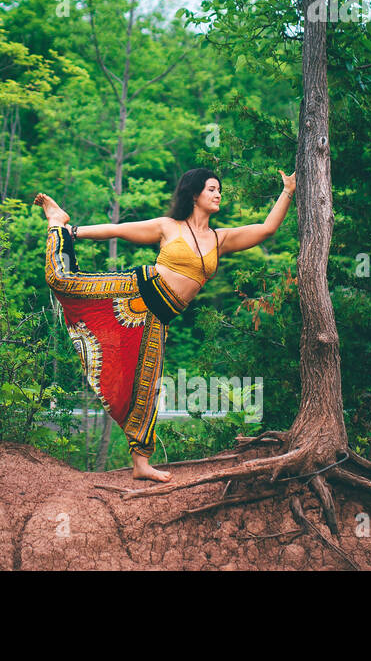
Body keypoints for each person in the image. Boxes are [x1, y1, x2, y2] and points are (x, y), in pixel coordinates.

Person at [34, 167, 295, 481]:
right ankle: (55, 223)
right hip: (135, 291)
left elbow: (267, 229)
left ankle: (141, 464)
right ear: (194, 193)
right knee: (62, 281)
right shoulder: (168, 227)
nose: (217, 195)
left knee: (146, 388)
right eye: (212, 189)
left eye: (219, 190)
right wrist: (72, 231)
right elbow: (117, 230)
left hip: (158, 318)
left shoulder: (219, 238)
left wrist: (288, 191)